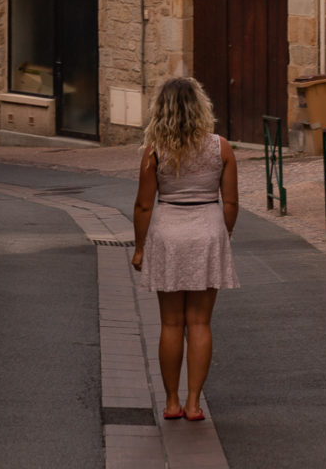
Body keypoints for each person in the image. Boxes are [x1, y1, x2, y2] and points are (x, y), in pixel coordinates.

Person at [131, 76, 239, 423]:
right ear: (200, 107)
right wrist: (222, 236)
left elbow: (144, 205)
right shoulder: (221, 147)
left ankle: (172, 401)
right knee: (201, 322)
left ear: (160, 111)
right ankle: (195, 403)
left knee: (171, 323)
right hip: (207, 229)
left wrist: (139, 247)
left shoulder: (155, 151)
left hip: (168, 234)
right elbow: (232, 202)